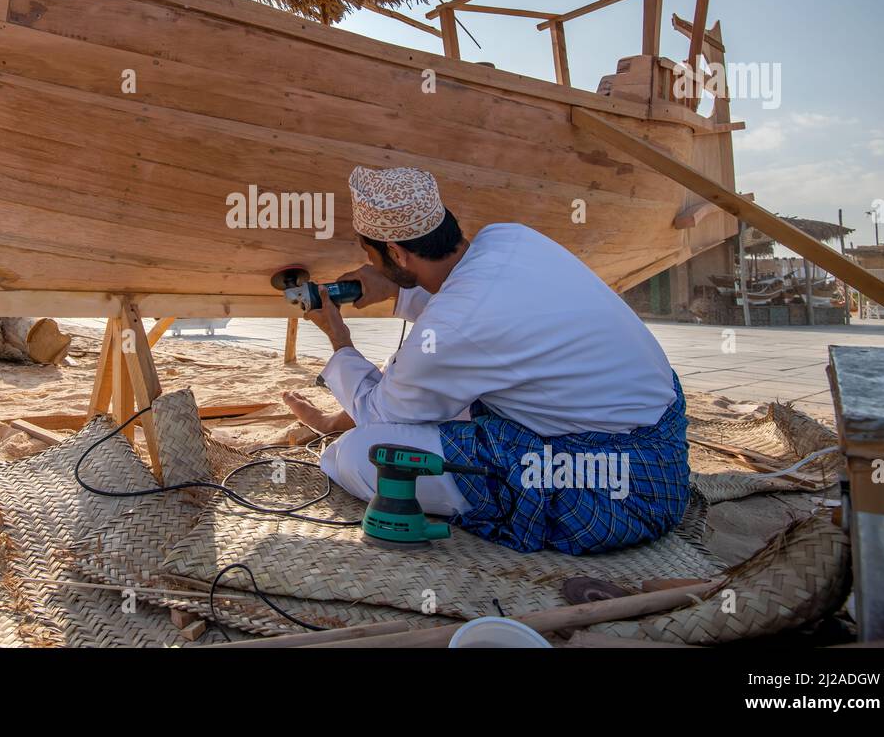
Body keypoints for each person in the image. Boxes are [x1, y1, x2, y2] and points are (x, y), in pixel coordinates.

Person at [284, 165, 689, 555]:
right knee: (427, 383)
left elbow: (381, 415)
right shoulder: (509, 237)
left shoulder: (454, 325)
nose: (371, 264)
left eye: (372, 255)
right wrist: (396, 287)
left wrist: (338, 336)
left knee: (357, 454)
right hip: (653, 424)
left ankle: (341, 436)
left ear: (396, 252)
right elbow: (477, 309)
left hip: (617, 479)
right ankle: (336, 421)